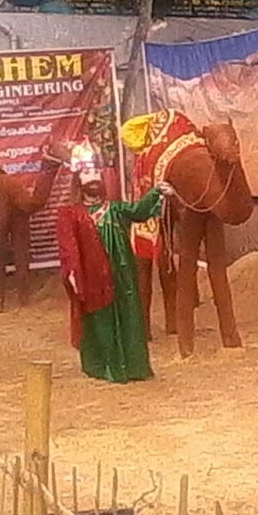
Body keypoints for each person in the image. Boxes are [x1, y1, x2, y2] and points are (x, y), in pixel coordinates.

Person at [55, 158, 171, 383]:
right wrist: (72, 272)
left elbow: (139, 211)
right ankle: (105, 366)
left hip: (122, 276)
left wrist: (156, 192)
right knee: (100, 321)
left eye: (96, 176)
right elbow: (68, 246)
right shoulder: (70, 214)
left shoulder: (116, 209)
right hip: (93, 279)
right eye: (87, 176)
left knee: (128, 316)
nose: (93, 179)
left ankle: (133, 366)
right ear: (79, 184)